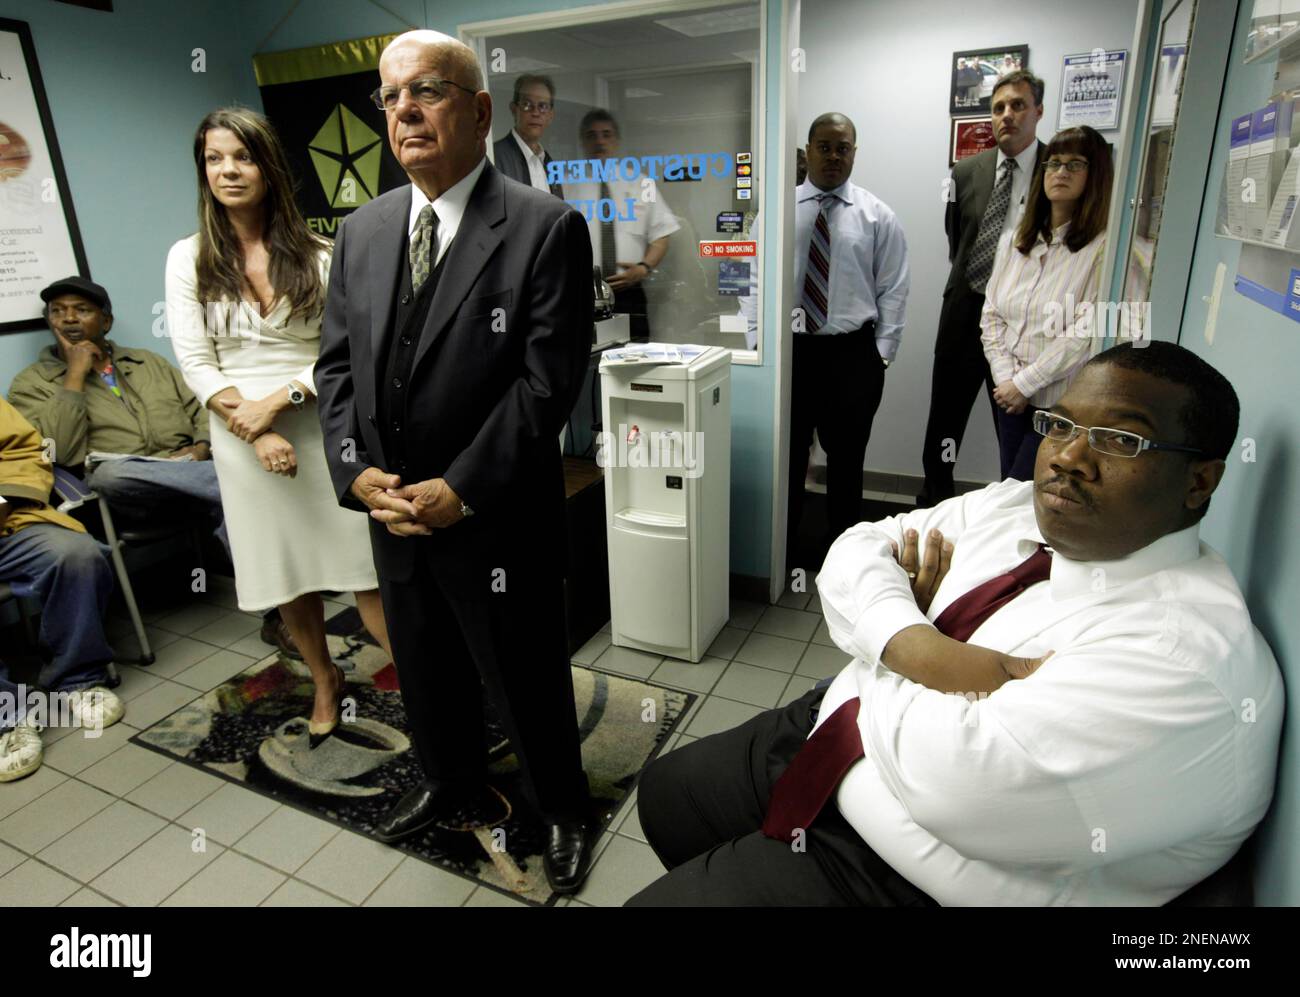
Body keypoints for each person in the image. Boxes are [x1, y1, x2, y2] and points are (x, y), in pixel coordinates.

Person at [628, 342, 1283, 906]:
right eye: (1060, 425)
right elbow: (855, 550)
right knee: (666, 794)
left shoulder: (1185, 657)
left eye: (1120, 440)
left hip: (900, 878)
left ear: (1200, 481)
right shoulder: (1013, 506)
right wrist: (923, 649)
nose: (1068, 457)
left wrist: (882, 637)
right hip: (834, 728)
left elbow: (956, 786)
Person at [314, 30, 595, 893]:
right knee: (426, 667)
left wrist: (462, 488)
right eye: (389, 96)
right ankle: (451, 783)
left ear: (477, 110)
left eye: (426, 90)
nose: (404, 110)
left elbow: (548, 385)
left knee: (524, 675)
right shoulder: (360, 232)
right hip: (395, 511)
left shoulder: (543, 227)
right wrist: (356, 470)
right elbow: (334, 367)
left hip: (494, 514)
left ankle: (563, 809)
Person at [166, 107, 393, 748]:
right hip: (240, 437)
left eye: (242, 157)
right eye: (214, 158)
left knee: (363, 567)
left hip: (325, 426)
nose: (228, 171)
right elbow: (195, 361)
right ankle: (325, 680)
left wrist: (286, 398)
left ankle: (426, 676)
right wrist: (256, 429)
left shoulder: (322, 253)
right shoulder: (188, 259)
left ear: (270, 167)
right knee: (287, 572)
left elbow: (347, 352)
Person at [8, 276, 300, 659]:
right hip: (122, 491)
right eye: (58, 312)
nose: (68, 319)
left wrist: (200, 446)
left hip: (192, 477)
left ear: (106, 321)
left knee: (233, 504)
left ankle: (281, 615)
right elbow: (56, 454)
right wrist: (74, 376)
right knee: (115, 472)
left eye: (81, 310)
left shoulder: (149, 363)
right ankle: (231, 481)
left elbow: (201, 407)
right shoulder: (32, 384)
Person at [917, 70, 1046, 508]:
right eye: (998, 108)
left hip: (1021, 322)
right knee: (944, 423)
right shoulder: (966, 170)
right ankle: (933, 507)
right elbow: (959, 239)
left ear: (1038, 112)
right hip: (964, 310)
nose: (1007, 115)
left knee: (1014, 425)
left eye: (1018, 106)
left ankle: (1010, 519)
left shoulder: (1057, 168)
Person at [787, 111, 909, 568]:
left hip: (852, 354)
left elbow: (894, 288)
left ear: (854, 153)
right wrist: (765, 343)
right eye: (824, 146)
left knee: (846, 461)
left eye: (843, 147)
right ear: (809, 150)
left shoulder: (878, 216)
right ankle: (786, 549)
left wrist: (882, 356)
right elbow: (755, 283)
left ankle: (844, 558)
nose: (833, 156)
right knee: (790, 456)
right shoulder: (781, 212)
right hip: (794, 352)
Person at [0, 397, 123, 783]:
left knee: (77, 555)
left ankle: (78, 678)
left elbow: (23, 448)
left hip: (9, 523)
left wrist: (3, 501)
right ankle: (9, 716)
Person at [981, 125, 1113, 482]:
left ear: (1096, 174)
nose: (1061, 172)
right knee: (1008, 489)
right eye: (1053, 163)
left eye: (1075, 164)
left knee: (1031, 496)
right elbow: (991, 316)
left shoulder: (1106, 249)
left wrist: (1025, 384)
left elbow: (1086, 332)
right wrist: (1006, 379)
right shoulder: (1015, 242)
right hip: (1009, 399)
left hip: (1061, 407)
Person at [563, 108, 679, 343]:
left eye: (607, 134)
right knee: (587, 360)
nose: (600, 141)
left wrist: (644, 268)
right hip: (582, 293)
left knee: (637, 359)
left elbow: (662, 233)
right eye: (592, 135)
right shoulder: (565, 184)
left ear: (617, 140)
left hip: (630, 291)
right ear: (582, 141)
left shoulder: (639, 182)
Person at [491, 74, 563, 196]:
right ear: (514, 110)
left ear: (551, 115)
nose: (535, 112)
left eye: (543, 106)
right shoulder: (494, 157)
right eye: (527, 104)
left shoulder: (550, 164)